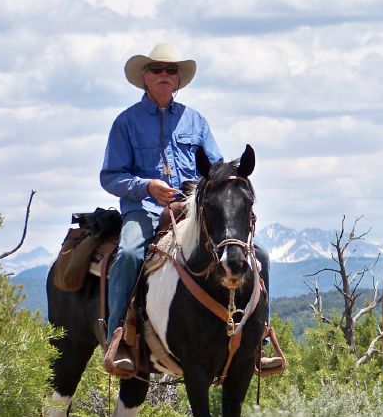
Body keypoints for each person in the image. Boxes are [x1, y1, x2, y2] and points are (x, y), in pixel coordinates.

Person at [100, 42, 283, 376]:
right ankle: (119, 338)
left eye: (171, 70)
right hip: (144, 209)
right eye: (157, 69)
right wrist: (147, 187)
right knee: (128, 253)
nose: (164, 75)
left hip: (193, 211)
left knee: (262, 256)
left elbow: (216, 168)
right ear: (145, 77)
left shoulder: (195, 121)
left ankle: (258, 342)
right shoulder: (125, 123)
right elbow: (110, 176)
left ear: (179, 80)